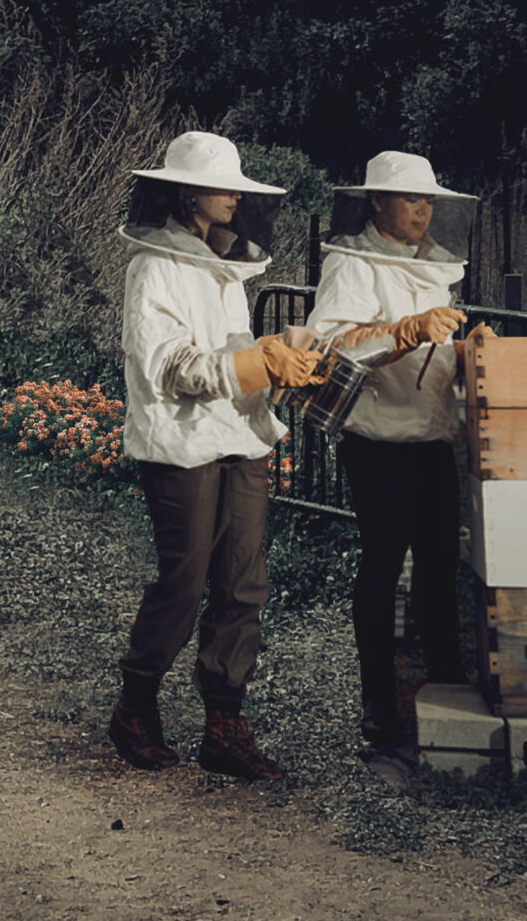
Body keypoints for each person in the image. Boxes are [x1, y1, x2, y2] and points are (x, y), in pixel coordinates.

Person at [110, 131, 323, 780]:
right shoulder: (153, 269)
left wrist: (276, 360)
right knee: (184, 578)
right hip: (180, 442)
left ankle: (224, 724)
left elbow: (228, 354)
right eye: (223, 184)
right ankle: (135, 707)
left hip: (241, 437)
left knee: (242, 582)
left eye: (238, 186)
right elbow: (170, 368)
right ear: (185, 192)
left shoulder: (227, 264)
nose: (235, 195)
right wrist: (258, 359)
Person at [307, 150, 485, 757]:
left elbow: (438, 347)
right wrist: (404, 330)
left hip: (433, 436)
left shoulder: (432, 263)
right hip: (378, 439)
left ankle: (446, 691)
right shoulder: (352, 264)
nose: (422, 210)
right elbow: (331, 345)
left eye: (429, 200)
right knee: (383, 566)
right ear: (377, 202)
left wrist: (471, 352)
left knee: (439, 566)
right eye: (410, 199)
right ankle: (378, 701)